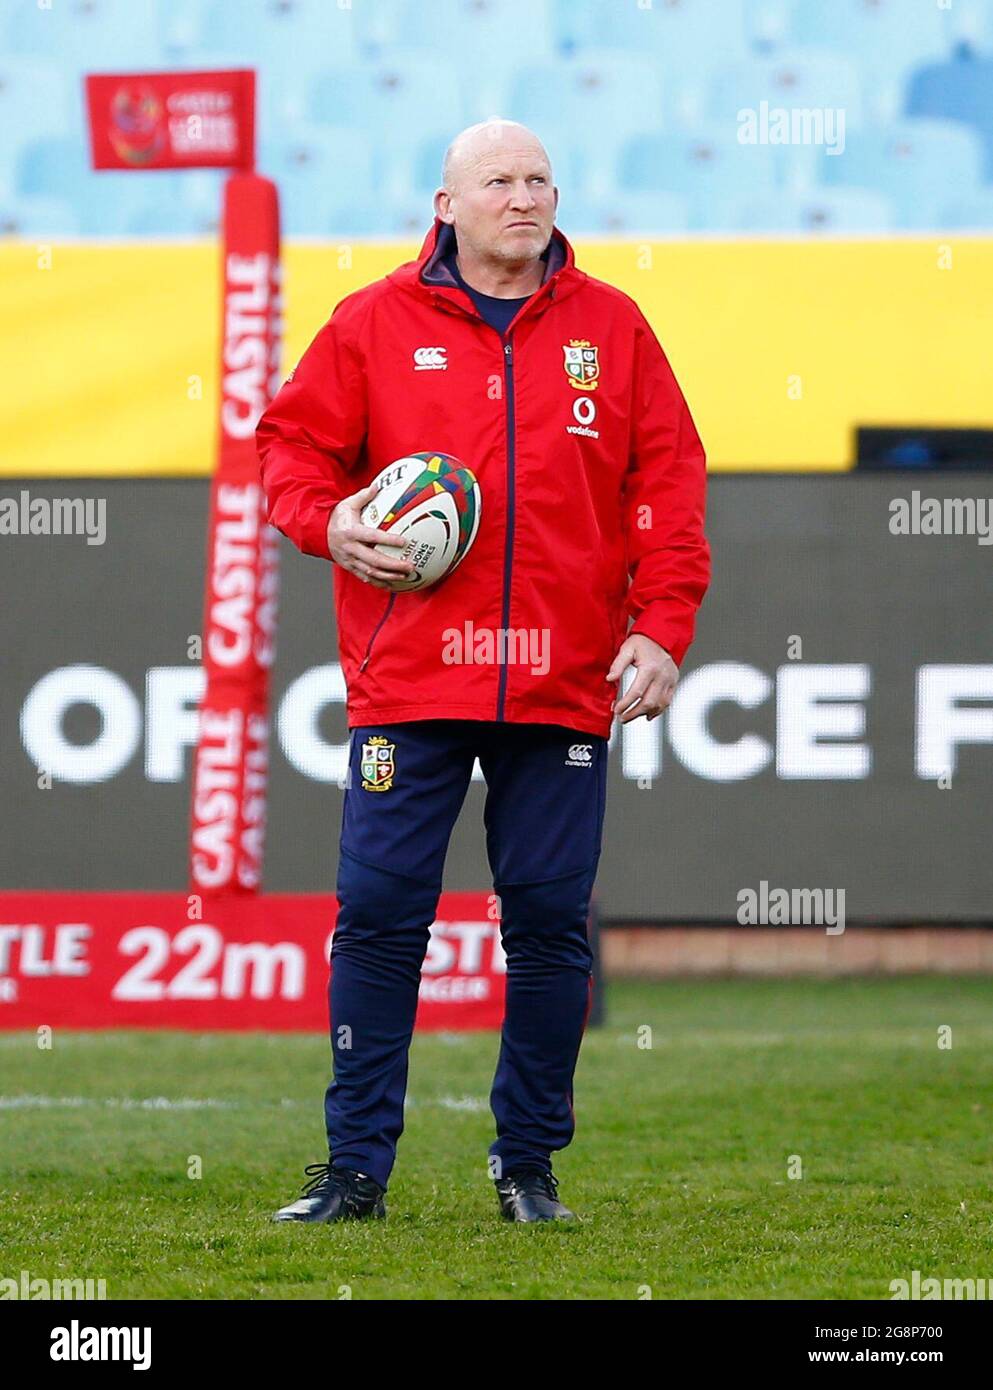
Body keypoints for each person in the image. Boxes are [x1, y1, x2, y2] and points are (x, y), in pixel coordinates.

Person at [257, 118, 710, 1224]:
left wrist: (662, 624)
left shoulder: (614, 326)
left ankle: (528, 1166)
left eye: (540, 178)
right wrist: (329, 523)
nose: (525, 197)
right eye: (499, 180)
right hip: (408, 681)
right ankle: (356, 1167)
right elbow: (290, 449)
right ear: (445, 202)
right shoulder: (371, 322)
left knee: (550, 923)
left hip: (562, 684)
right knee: (375, 915)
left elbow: (668, 481)